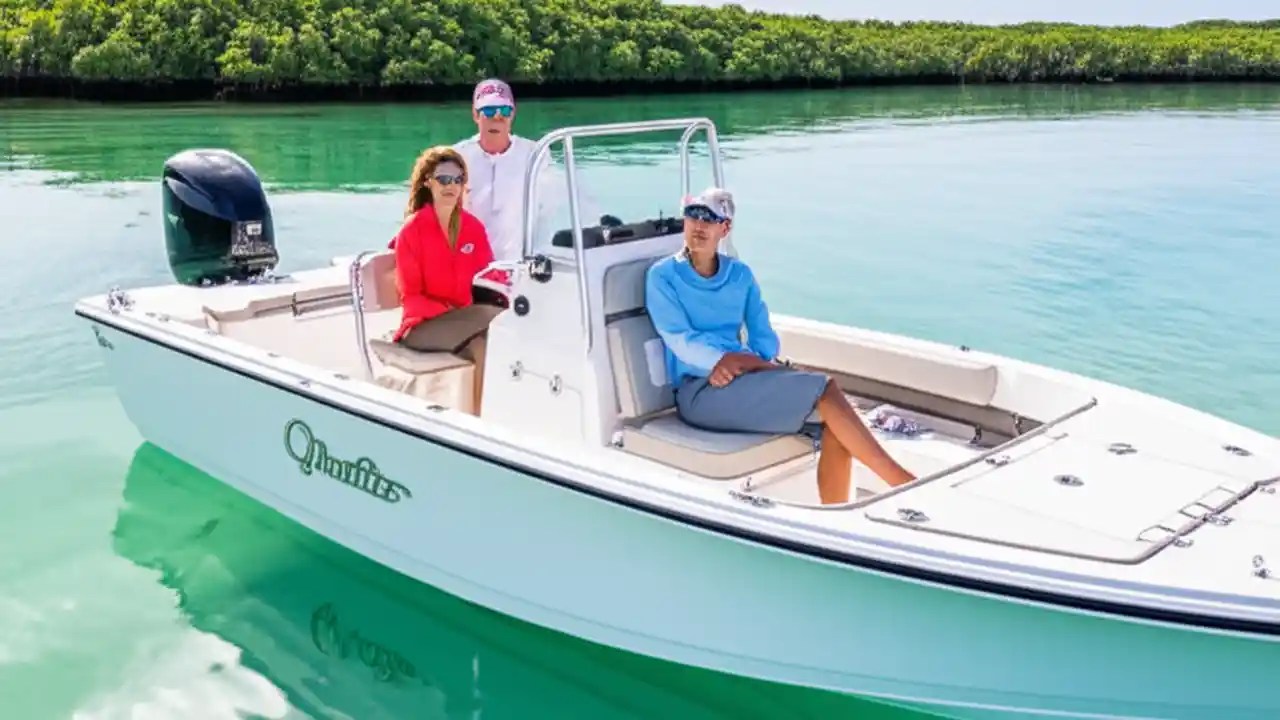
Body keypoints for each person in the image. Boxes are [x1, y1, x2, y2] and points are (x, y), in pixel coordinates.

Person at [644, 187, 916, 504]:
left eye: (709, 219)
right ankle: (905, 485)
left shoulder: (739, 275)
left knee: (835, 426)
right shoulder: (662, 276)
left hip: (744, 377)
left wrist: (744, 363)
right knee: (826, 388)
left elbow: (763, 338)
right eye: (693, 215)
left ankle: (835, 514)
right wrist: (724, 360)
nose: (699, 226)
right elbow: (680, 340)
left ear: (725, 228)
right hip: (698, 391)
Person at [390, 145, 503, 415]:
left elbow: (490, 276)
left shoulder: (473, 228)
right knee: (491, 322)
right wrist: (453, 312)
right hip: (421, 328)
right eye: (443, 179)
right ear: (428, 182)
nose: (451, 186)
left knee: (488, 342)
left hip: (465, 324)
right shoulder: (412, 231)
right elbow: (412, 297)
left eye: (457, 179)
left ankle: (479, 422)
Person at [454, 77, 603, 265]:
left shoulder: (535, 153)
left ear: (513, 114)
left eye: (504, 111)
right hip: (468, 263)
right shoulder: (457, 156)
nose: (497, 118)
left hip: (519, 265)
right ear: (475, 115)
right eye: (489, 111)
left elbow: (554, 202)